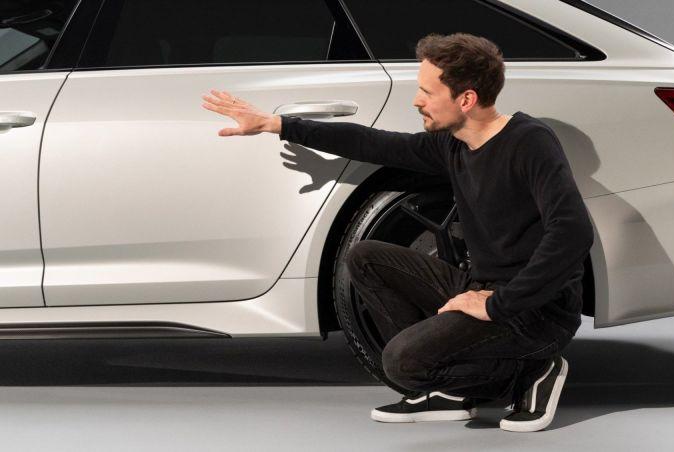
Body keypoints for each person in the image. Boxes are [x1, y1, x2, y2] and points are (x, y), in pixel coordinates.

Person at [201, 32, 594, 433]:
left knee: (400, 364)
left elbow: (573, 232)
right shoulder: (453, 146)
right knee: (365, 258)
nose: (416, 101)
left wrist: (499, 305)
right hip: (480, 288)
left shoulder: (529, 141)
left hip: (537, 311)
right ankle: (451, 385)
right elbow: (375, 144)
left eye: (427, 91)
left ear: (466, 99)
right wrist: (277, 124)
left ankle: (533, 372)